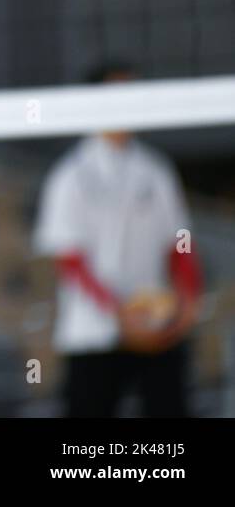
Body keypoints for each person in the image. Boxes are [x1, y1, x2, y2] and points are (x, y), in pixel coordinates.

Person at [32, 60, 203, 417]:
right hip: (93, 330)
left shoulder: (156, 171)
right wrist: (117, 310)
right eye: (117, 95)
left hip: (156, 322)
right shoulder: (70, 177)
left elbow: (180, 240)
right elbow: (68, 258)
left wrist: (188, 293)